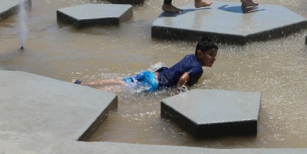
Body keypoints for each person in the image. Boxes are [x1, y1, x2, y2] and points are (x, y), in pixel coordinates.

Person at [80, 40, 218, 93]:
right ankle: (90, 93)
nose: (214, 58)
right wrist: (178, 93)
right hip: (153, 84)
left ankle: (84, 85)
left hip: (151, 75)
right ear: (200, 54)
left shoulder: (190, 56)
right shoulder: (198, 69)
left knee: (121, 82)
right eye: (211, 54)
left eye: (215, 55)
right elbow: (183, 78)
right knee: (118, 90)